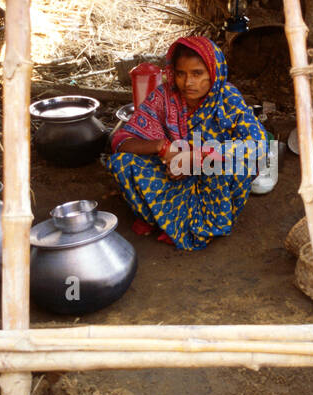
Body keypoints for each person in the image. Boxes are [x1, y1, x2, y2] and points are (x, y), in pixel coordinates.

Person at [108, 36, 267, 251]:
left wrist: (195, 159)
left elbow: (257, 144)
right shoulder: (164, 96)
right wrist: (162, 147)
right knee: (122, 162)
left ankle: (200, 226)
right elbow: (122, 140)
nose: (188, 82)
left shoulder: (227, 98)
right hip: (172, 172)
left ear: (214, 72)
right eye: (181, 73)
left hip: (213, 183)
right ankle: (158, 217)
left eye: (197, 73)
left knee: (223, 165)